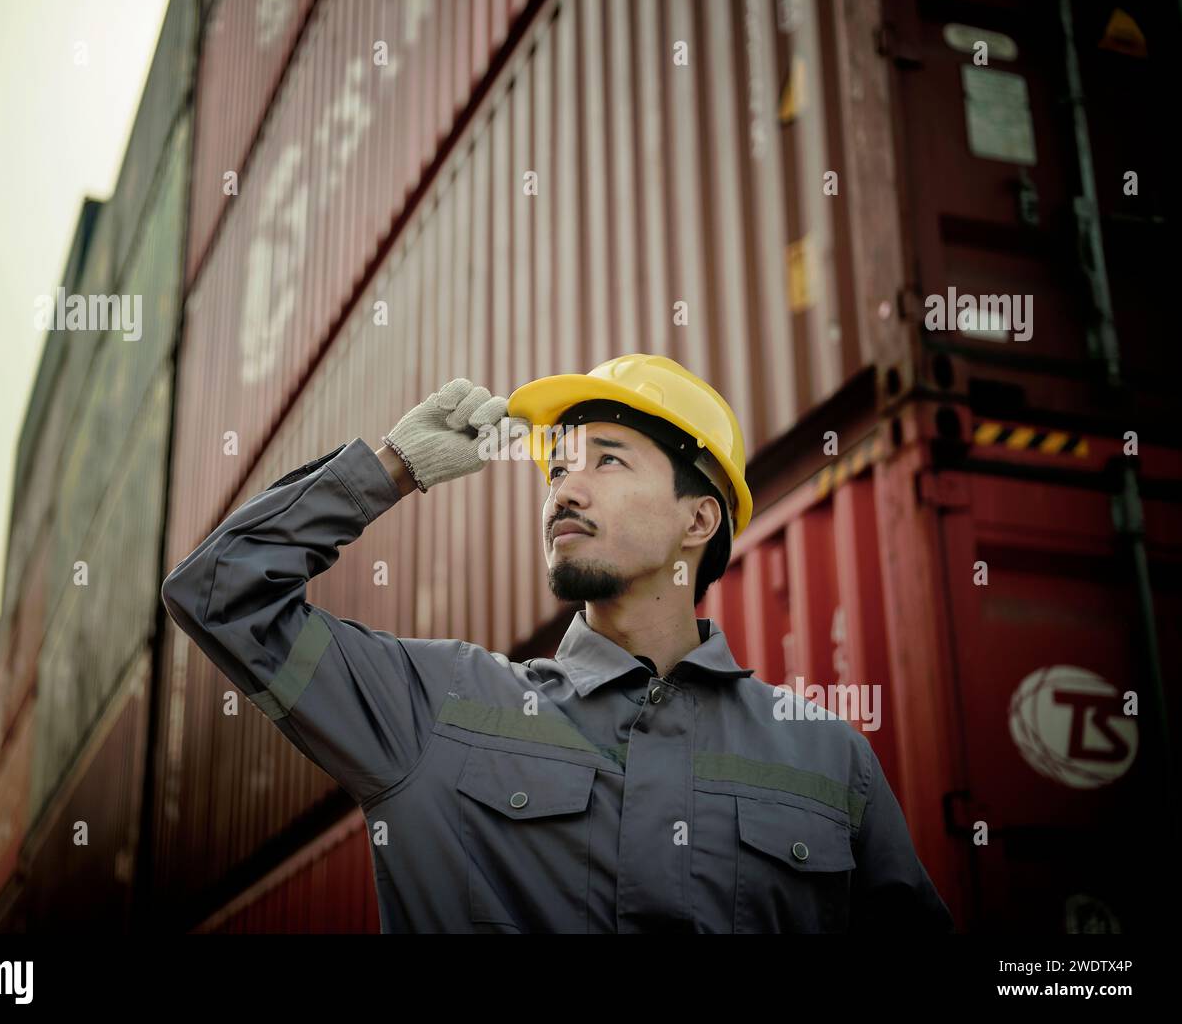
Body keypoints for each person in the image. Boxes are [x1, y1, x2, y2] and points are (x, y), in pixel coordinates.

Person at [161, 352, 954, 933]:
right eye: (556, 469)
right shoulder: (438, 711)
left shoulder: (827, 762)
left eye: (607, 460)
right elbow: (219, 595)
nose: (564, 489)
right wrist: (392, 468)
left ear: (698, 519)